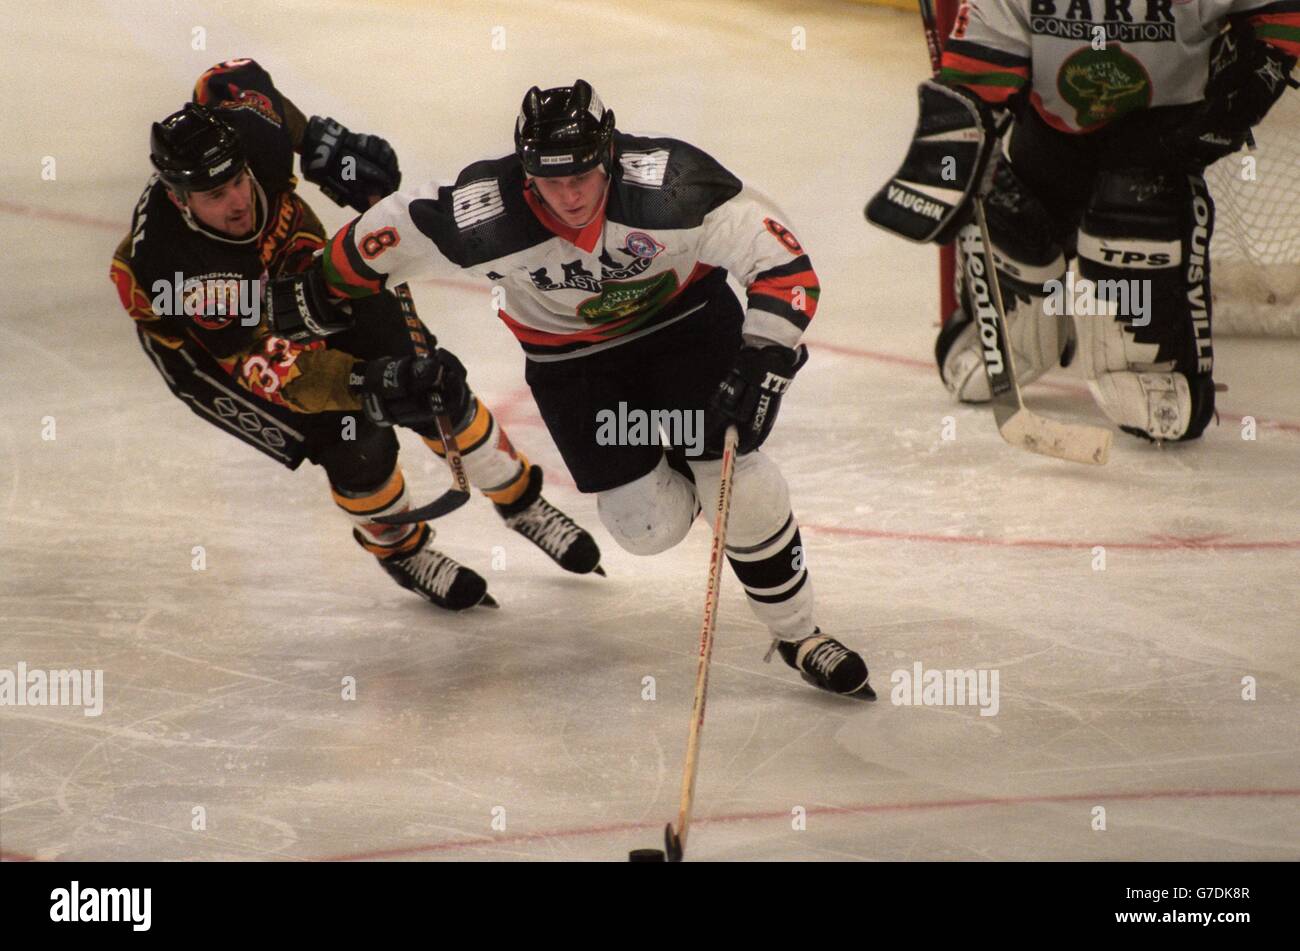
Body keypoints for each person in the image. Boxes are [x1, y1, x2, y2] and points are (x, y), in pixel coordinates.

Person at [265, 80, 876, 699]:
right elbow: (388, 230)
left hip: (687, 329)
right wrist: (317, 290)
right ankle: (693, 469)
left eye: (583, 174)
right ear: (525, 173)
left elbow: (783, 264)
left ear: (608, 153)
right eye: (552, 181)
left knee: (736, 478)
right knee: (647, 530)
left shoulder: (671, 185)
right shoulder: (483, 215)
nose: (571, 195)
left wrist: (765, 356)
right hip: (574, 368)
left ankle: (799, 634)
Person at [109, 59, 602, 612]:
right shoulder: (181, 274)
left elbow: (231, 80)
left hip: (293, 276)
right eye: (214, 196)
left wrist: (322, 142)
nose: (238, 203)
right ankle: (400, 547)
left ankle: (518, 497)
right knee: (351, 438)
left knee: (429, 379)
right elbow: (280, 369)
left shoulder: (252, 135)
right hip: (213, 353)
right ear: (180, 199)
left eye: (238, 181)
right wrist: (369, 380)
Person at [870, 1, 1298, 443]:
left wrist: (1247, 86)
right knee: (1003, 206)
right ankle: (1014, 324)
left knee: (1134, 212)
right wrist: (954, 145)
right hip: (1051, 135)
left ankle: (1147, 357)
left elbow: (1280, 14)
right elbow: (981, 71)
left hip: (1162, 142)